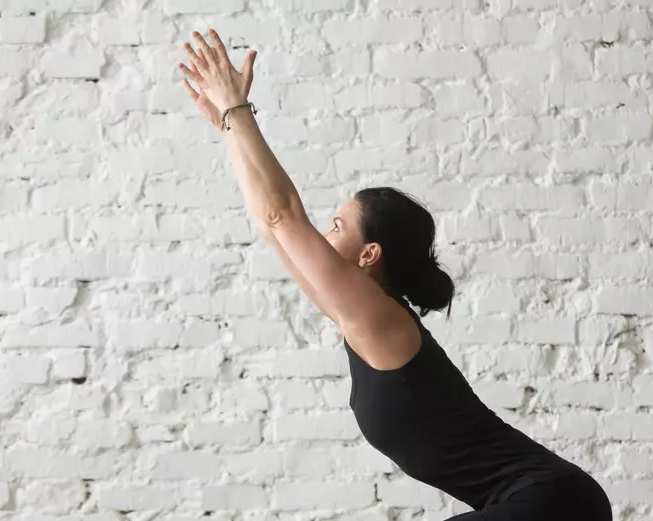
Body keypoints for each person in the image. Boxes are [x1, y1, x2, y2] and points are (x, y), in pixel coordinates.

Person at [177, 29, 613, 521]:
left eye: (337, 226)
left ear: (369, 255)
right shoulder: (357, 318)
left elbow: (285, 216)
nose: (324, 233)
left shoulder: (380, 321)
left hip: (550, 502)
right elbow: (272, 227)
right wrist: (229, 130)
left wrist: (239, 110)